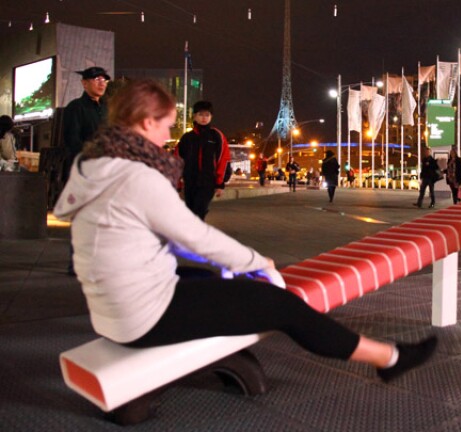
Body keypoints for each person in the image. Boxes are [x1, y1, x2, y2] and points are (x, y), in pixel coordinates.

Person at [52, 79, 437, 385]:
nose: (168, 134)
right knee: (283, 306)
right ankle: (389, 358)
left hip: (109, 310)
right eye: (166, 124)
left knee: (212, 278)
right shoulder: (136, 177)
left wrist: (231, 266)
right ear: (147, 122)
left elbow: (149, 236)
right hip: (142, 316)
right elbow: (196, 237)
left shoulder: (95, 165)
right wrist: (256, 261)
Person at [62, 66, 110, 276]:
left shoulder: (107, 108)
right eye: (97, 79)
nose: (102, 83)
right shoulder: (75, 108)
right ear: (84, 83)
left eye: (104, 80)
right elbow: (72, 140)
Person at [175, 100, 231, 220]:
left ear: (211, 117)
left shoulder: (217, 136)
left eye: (207, 115)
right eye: (200, 114)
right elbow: (177, 161)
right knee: (190, 212)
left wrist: (220, 183)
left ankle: (196, 231)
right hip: (190, 182)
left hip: (208, 182)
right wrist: (177, 184)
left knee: (199, 210)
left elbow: (224, 159)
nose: (204, 118)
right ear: (194, 116)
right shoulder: (187, 138)